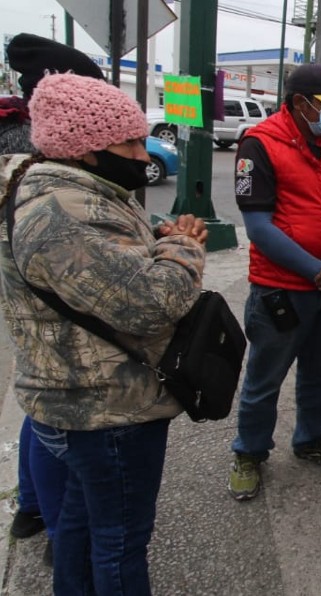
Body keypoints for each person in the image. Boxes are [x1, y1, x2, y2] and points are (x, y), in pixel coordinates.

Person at [0, 73, 206, 595]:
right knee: (119, 540)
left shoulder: (76, 192)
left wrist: (152, 242)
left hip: (86, 397)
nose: (142, 154)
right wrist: (183, 246)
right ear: (85, 149)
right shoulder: (61, 212)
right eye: (130, 142)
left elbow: (105, 274)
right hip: (106, 407)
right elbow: (151, 304)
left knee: (83, 524)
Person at [227, 63, 321, 501]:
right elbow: (258, 227)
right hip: (281, 289)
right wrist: (317, 270)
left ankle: (311, 438)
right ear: (301, 103)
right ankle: (249, 453)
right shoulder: (259, 145)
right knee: (265, 378)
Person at [1, 32, 110, 565]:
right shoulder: (29, 146)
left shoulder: (19, 137)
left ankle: (32, 509)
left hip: (31, 305)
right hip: (47, 304)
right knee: (54, 418)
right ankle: (59, 528)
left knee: (39, 408)